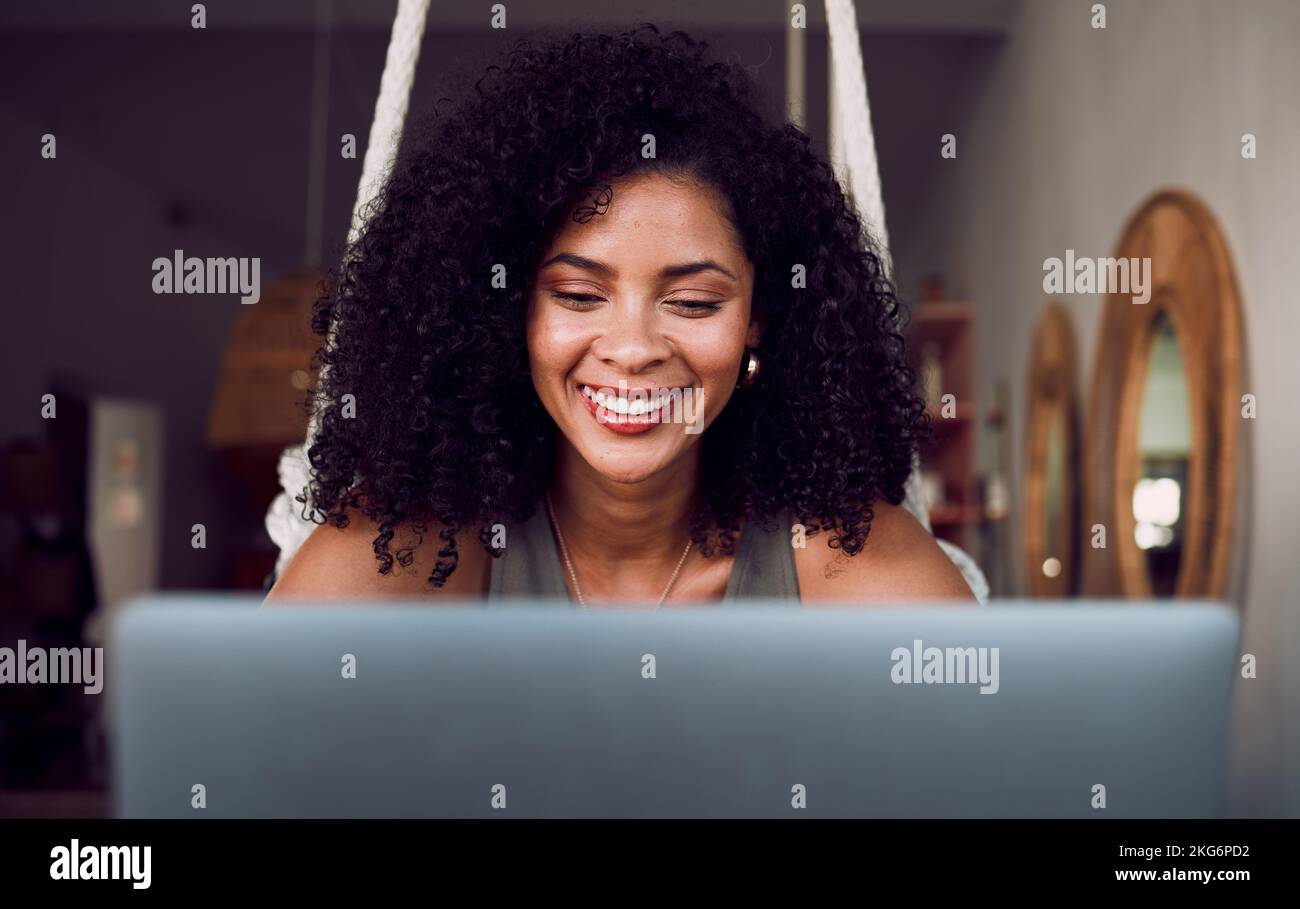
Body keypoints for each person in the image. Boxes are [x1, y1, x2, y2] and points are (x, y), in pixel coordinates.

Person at [265, 25, 973, 607]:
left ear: (759, 319)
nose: (633, 350)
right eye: (577, 295)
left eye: (693, 302)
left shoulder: (862, 575)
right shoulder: (404, 559)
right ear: (507, 310)